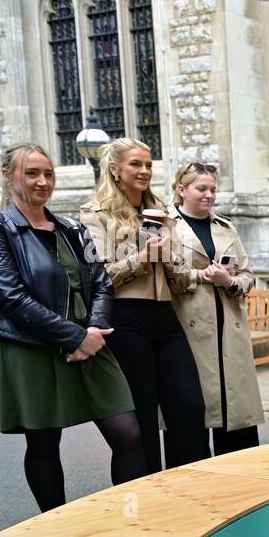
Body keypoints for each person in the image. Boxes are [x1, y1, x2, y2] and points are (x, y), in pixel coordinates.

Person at [0, 143, 144, 512]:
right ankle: (54, 528)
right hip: (32, 345)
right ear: (8, 176)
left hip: (92, 342)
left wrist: (94, 331)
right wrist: (73, 337)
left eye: (48, 173)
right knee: (43, 444)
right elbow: (11, 298)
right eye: (32, 173)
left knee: (128, 434)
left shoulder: (70, 227)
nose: (42, 181)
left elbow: (101, 281)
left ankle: (132, 523)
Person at [80, 138, 209, 472]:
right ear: (114, 169)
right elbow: (99, 276)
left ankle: (189, 492)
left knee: (189, 408)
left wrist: (169, 258)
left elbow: (180, 280)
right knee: (143, 419)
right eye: (136, 164)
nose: (145, 171)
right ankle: (146, 502)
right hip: (125, 318)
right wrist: (142, 258)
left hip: (166, 315)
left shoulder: (163, 212)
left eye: (149, 165)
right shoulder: (95, 213)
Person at [168, 162, 265, 455]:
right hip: (189, 327)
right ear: (181, 189)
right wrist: (201, 276)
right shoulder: (167, 226)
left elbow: (248, 275)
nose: (209, 195)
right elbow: (165, 277)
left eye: (213, 189)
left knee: (235, 417)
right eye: (202, 188)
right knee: (192, 418)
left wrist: (230, 281)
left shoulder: (225, 226)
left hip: (229, 328)